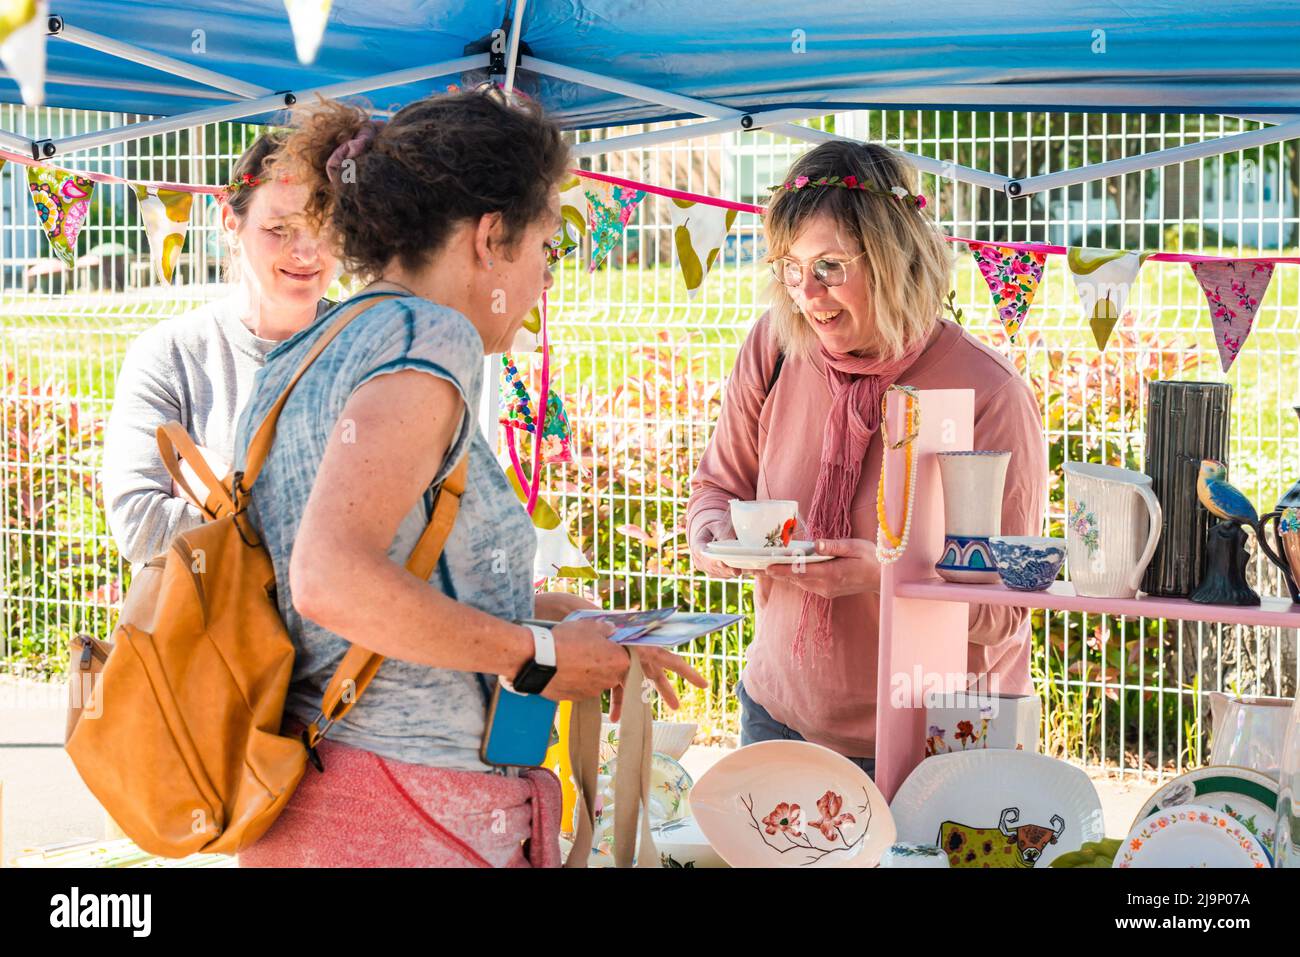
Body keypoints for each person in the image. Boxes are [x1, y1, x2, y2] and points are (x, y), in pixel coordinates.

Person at [233, 89, 705, 868]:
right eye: (547, 247)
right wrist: (537, 652)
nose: (546, 280)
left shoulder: (313, 347)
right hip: (407, 816)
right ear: (491, 237)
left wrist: (539, 617)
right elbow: (330, 580)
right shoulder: (430, 334)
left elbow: (357, 587)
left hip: (318, 804)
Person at [687, 141, 1046, 776]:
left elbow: (1010, 608)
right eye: (790, 269)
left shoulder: (990, 393)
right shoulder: (774, 349)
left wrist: (888, 581)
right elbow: (717, 487)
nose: (808, 295)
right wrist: (715, 538)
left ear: (891, 256)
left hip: (934, 735)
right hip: (778, 716)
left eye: (829, 266)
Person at [102, 132, 338, 566]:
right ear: (231, 221)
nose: (306, 253)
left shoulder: (370, 345)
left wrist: (213, 484)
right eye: (279, 229)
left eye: (325, 228)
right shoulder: (168, 355)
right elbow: (140, 528)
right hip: (210, 632)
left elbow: (402, 520)